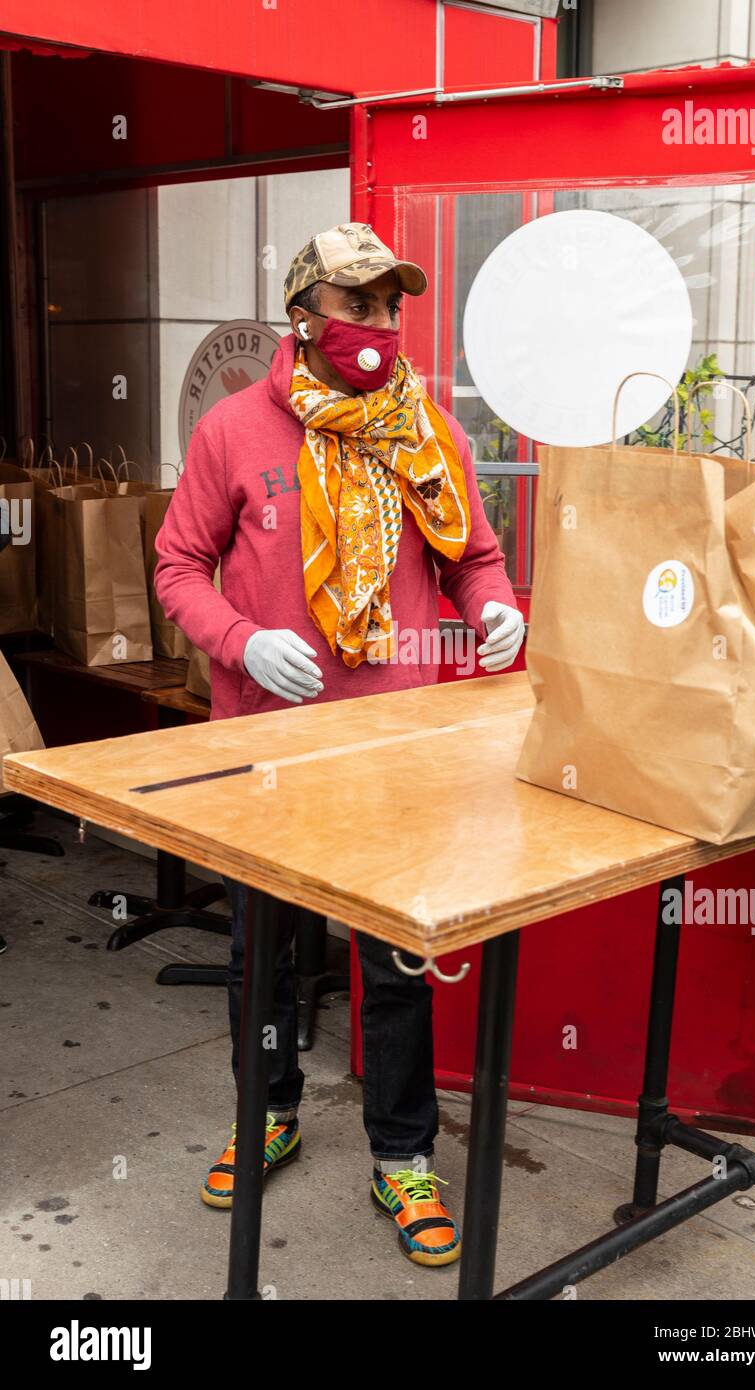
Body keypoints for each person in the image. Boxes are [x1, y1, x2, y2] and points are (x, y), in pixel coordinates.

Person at [154, 221, 525, 1268]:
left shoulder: (427, 430)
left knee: (395, 957)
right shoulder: (234, 430)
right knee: (259, 951)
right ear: (305, 316)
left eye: (390, 306)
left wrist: (494, 607)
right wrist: (242, 637)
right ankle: (267, 1108)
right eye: (356, 304)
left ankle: (403, 1153)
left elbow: (474, 557)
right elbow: (178, 565)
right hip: (265, 748)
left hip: (394, 745)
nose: (377, 326)